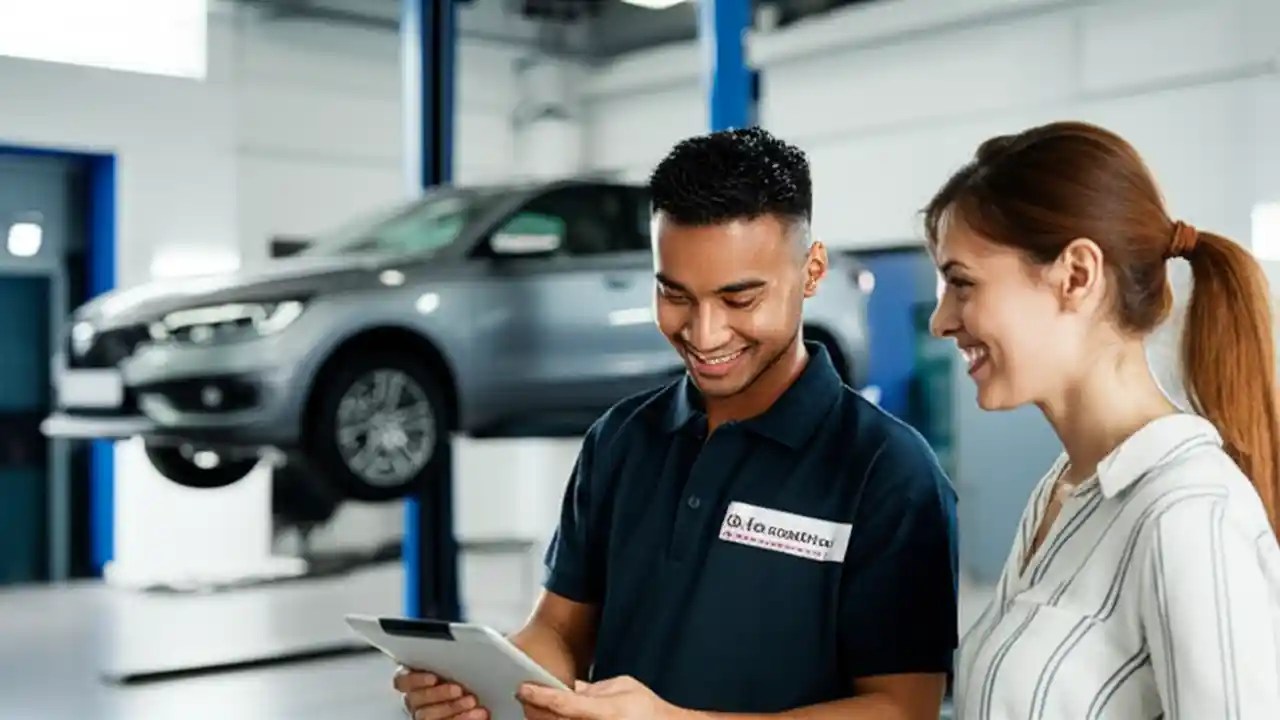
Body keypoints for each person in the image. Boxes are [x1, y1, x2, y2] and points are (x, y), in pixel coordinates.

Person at [394, 126, 959, 720]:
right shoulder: (620, 439)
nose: (704, 332)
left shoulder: (887, 470)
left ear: (812, 271)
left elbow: (901, 710)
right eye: (675, 294)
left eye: (740, 299)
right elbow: (558, 632)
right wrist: (489, 683)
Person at [926, 120, 1280, 719]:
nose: (941, 320)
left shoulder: (1188, 513)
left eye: (962, 284)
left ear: (1077, 277)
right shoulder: (1061, 492)